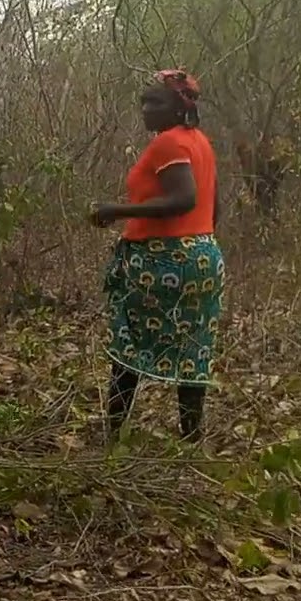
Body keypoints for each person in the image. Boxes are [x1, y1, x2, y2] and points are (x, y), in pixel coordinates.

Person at [91, 69, 223, 443]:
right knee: (193, 352)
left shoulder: (167, 144)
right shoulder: (200, 142)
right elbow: (215, 206)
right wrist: (198, 245)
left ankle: (113, 436)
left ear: (178, 108)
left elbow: (184, 199)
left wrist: (116, 211)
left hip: (162, 261)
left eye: (155, 103)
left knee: (128, 344)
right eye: (144, 102)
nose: (146, 110)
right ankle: (192, 439)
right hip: (203, 256)